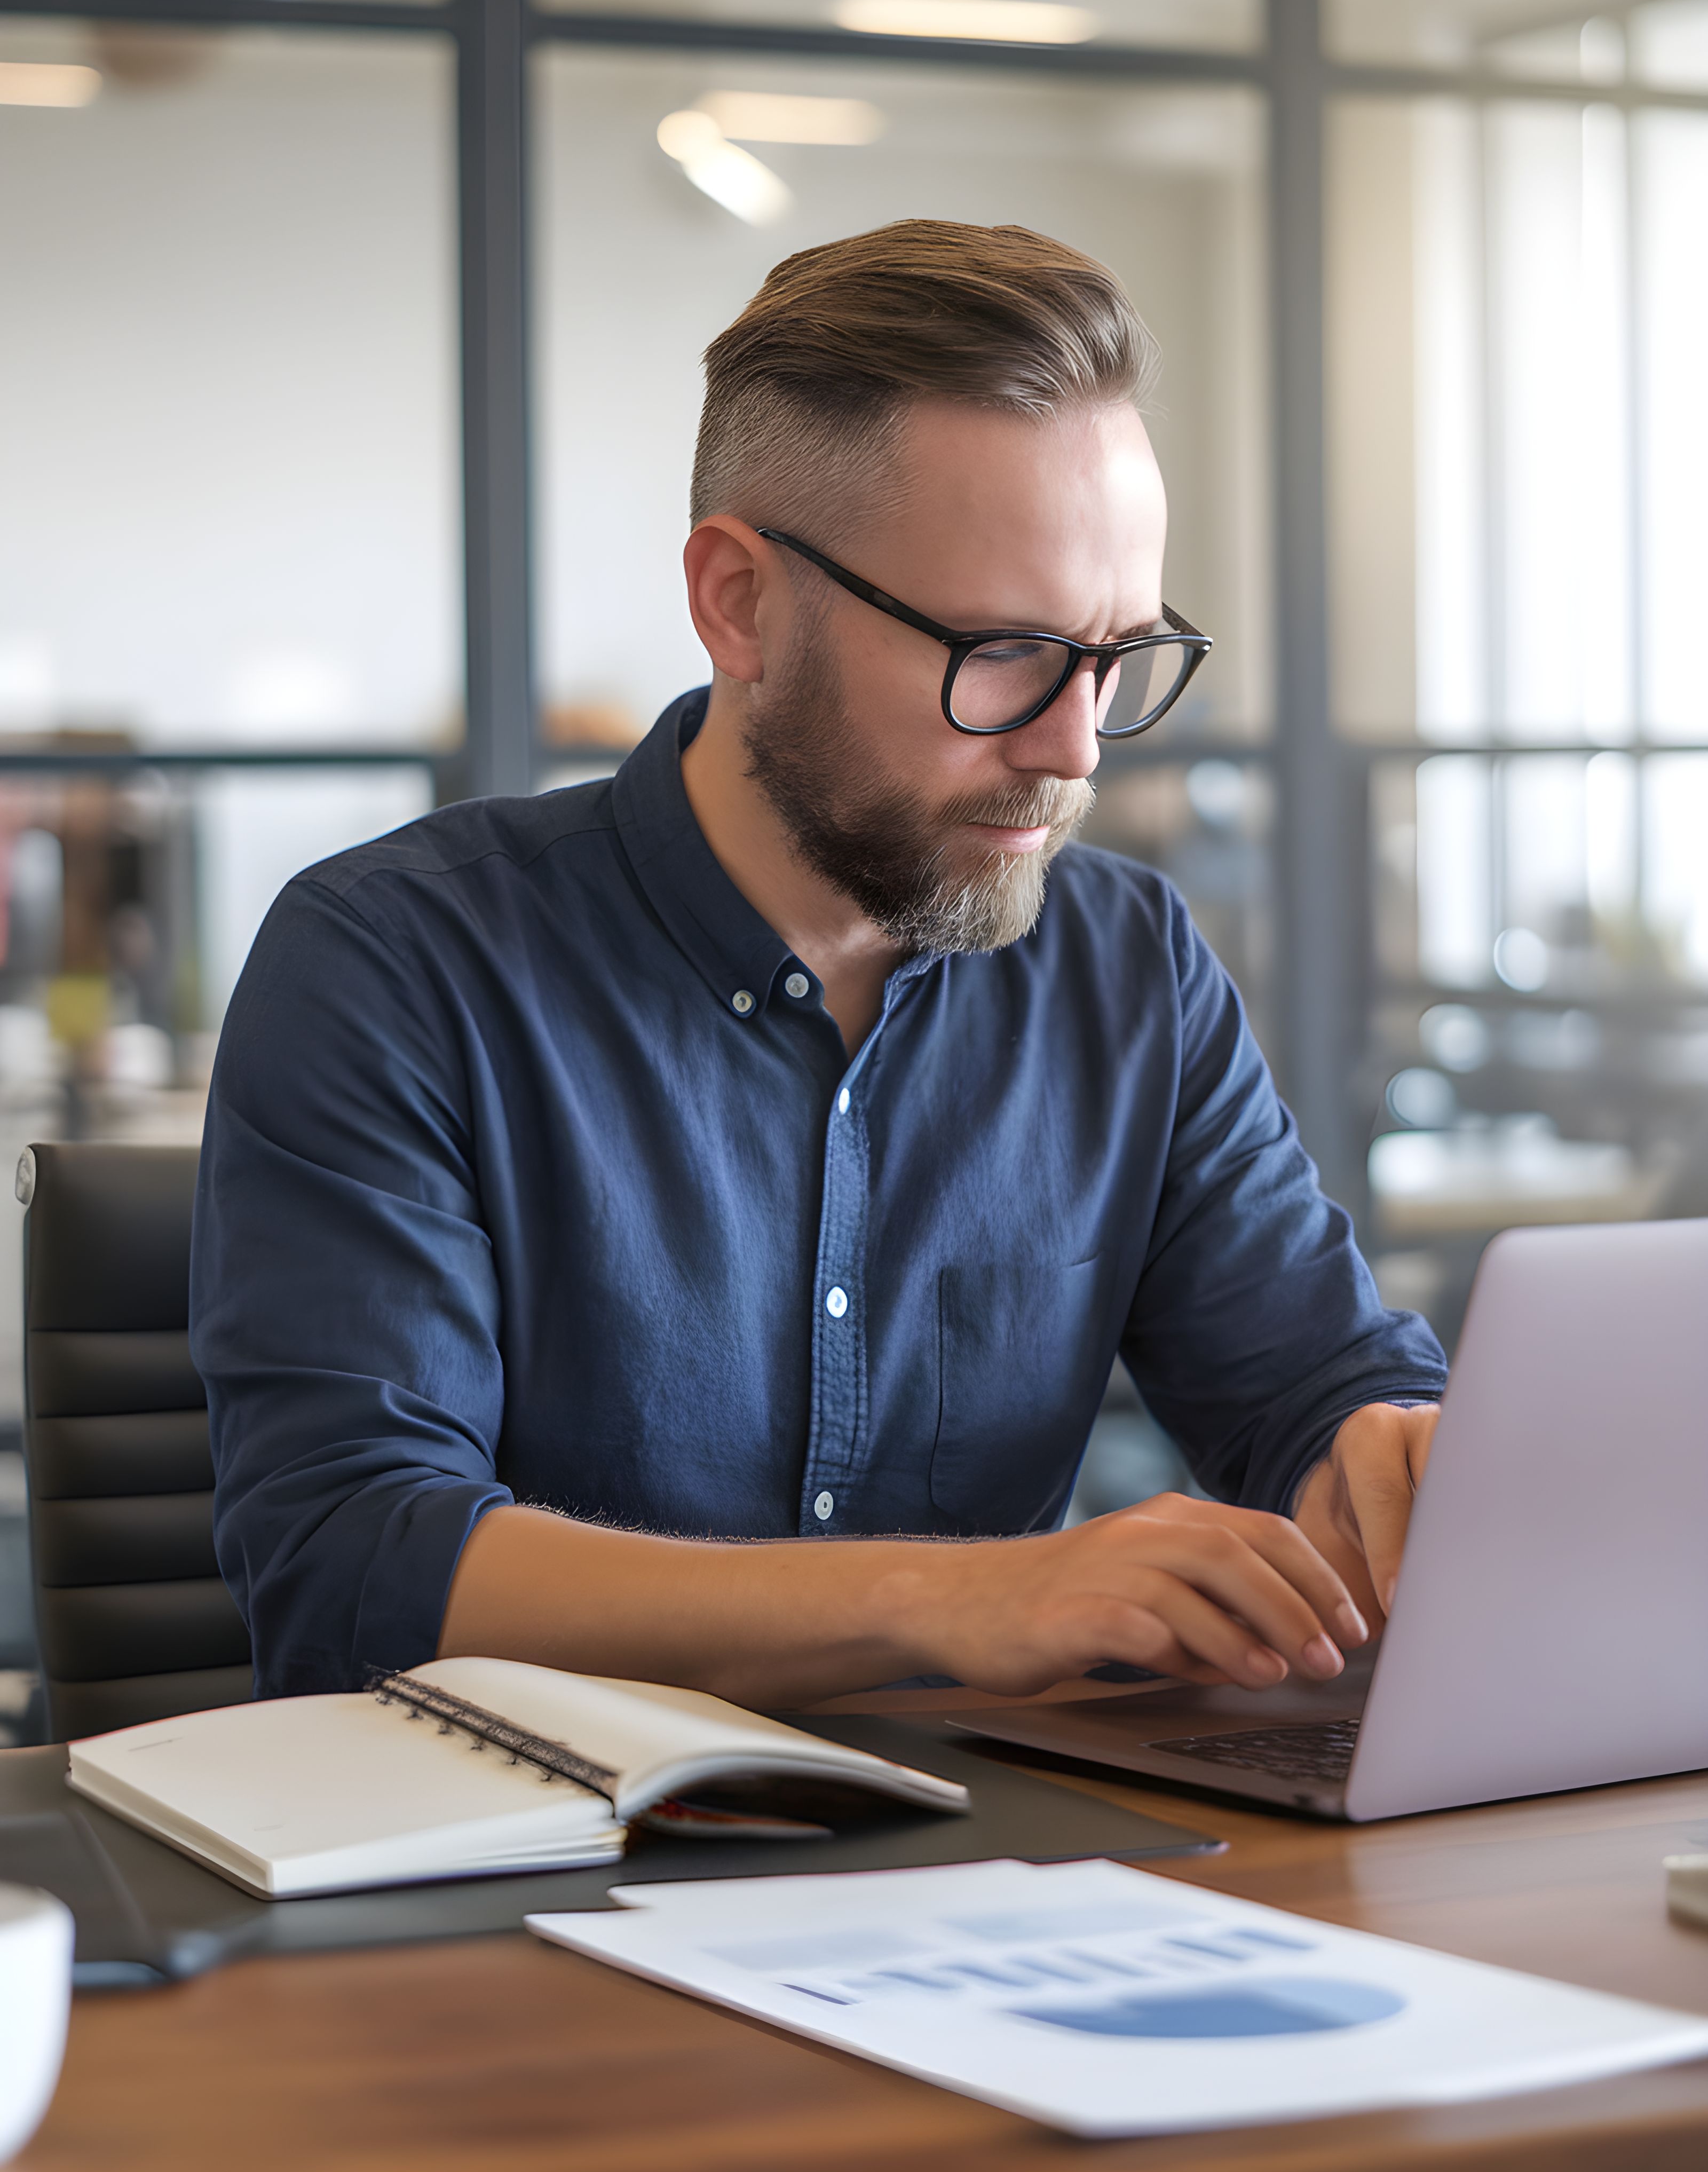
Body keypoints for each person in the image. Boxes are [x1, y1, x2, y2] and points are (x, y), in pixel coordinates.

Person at [194, 219, 1445, 1707]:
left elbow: (1315, 1388)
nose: (1074, 746)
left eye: (1116, 656)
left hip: (996, 1872)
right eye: (1003, 653)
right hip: (513, 1889)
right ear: (739, 603)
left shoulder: (1129, 966)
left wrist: (1391, 1453)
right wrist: (952, 1596)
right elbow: (354, 1567)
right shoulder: (397, 965)